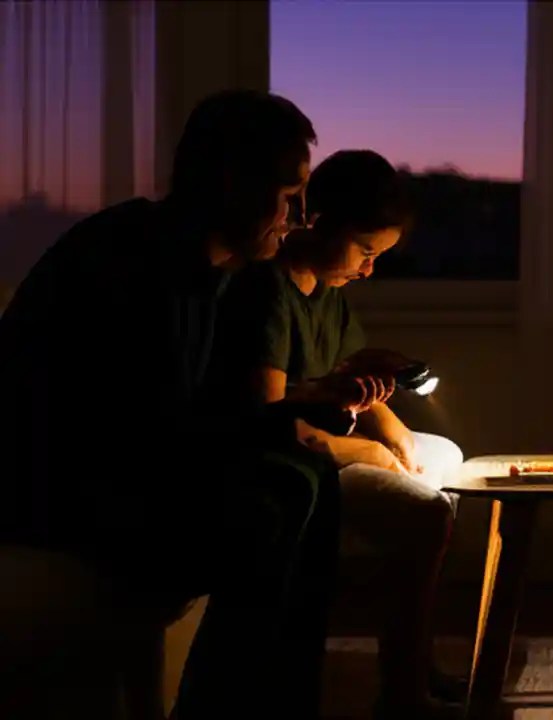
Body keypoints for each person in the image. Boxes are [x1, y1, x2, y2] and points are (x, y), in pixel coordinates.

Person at [0, 90, 402, 720]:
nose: (300, 215)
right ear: (230, 182)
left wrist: (307, 404)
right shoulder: (129, 261)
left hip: (131, 470)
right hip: (63, 490)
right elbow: (140, 429)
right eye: (288, 193)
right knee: (283, 490)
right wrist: (279, 423)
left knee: (304, 476)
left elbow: (198, 413)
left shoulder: (213, 273)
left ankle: (277, 700)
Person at [208, 149, 467, 720]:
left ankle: (417, 658)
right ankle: (403, 689)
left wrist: (396, 433)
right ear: (320, 222)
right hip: (295, 457)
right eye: (366, 252)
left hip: (334, 438)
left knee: (444, 455)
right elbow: (274, 420)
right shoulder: (267, 293)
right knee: (428, 512)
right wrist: (374, 449)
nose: (369, 269)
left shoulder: (329, 298)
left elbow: (352, 379)